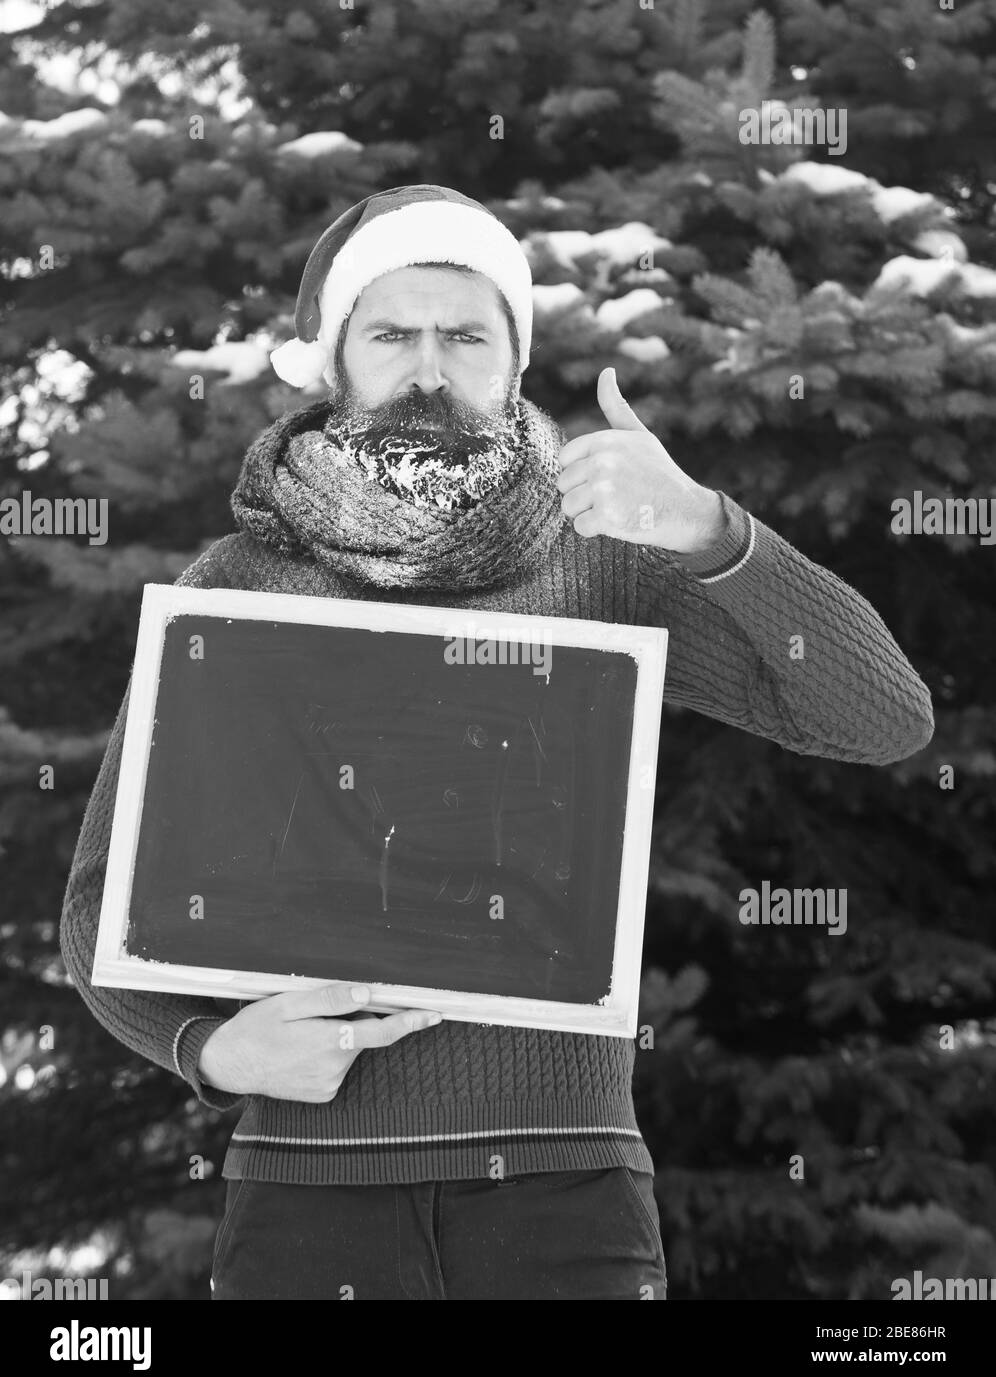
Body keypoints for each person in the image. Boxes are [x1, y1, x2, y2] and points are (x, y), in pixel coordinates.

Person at [60, 183, 935, 1301]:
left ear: (513, 364)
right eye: (392, 332)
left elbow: (883, 716)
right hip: (305, 1194)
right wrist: (211, 1051)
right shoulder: (235, 587)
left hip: (562, 1191)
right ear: (337, 361)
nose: (429, 365)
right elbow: (95, 910)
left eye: (465, 334)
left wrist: (713, 533)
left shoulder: (607, 558)